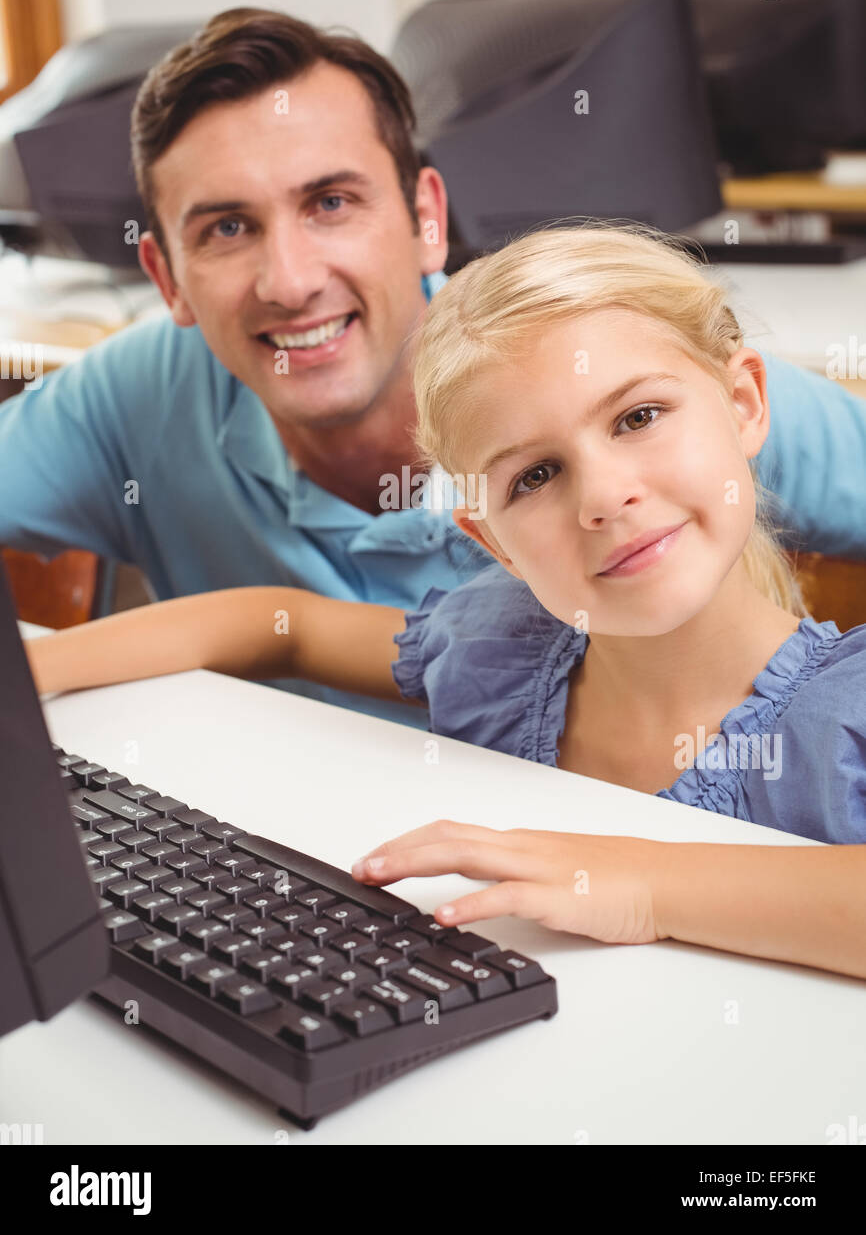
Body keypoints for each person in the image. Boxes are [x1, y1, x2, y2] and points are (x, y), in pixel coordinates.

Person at [25, 225, 866, 982]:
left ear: (746, 403)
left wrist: (642, 885)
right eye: (534, 476)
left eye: (638, 415)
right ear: (494, 540)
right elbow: (280, 624)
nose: (605, 497)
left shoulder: (843, 718)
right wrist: (31, 673)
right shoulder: (503, 648)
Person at [2, 8, 866, 731]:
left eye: (331, 203)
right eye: (226, 229)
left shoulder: (622, 380)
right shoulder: (130, 399)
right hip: (293, 902)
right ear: (166, 279)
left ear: (425, 216)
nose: (291, 280)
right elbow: (283, 631)